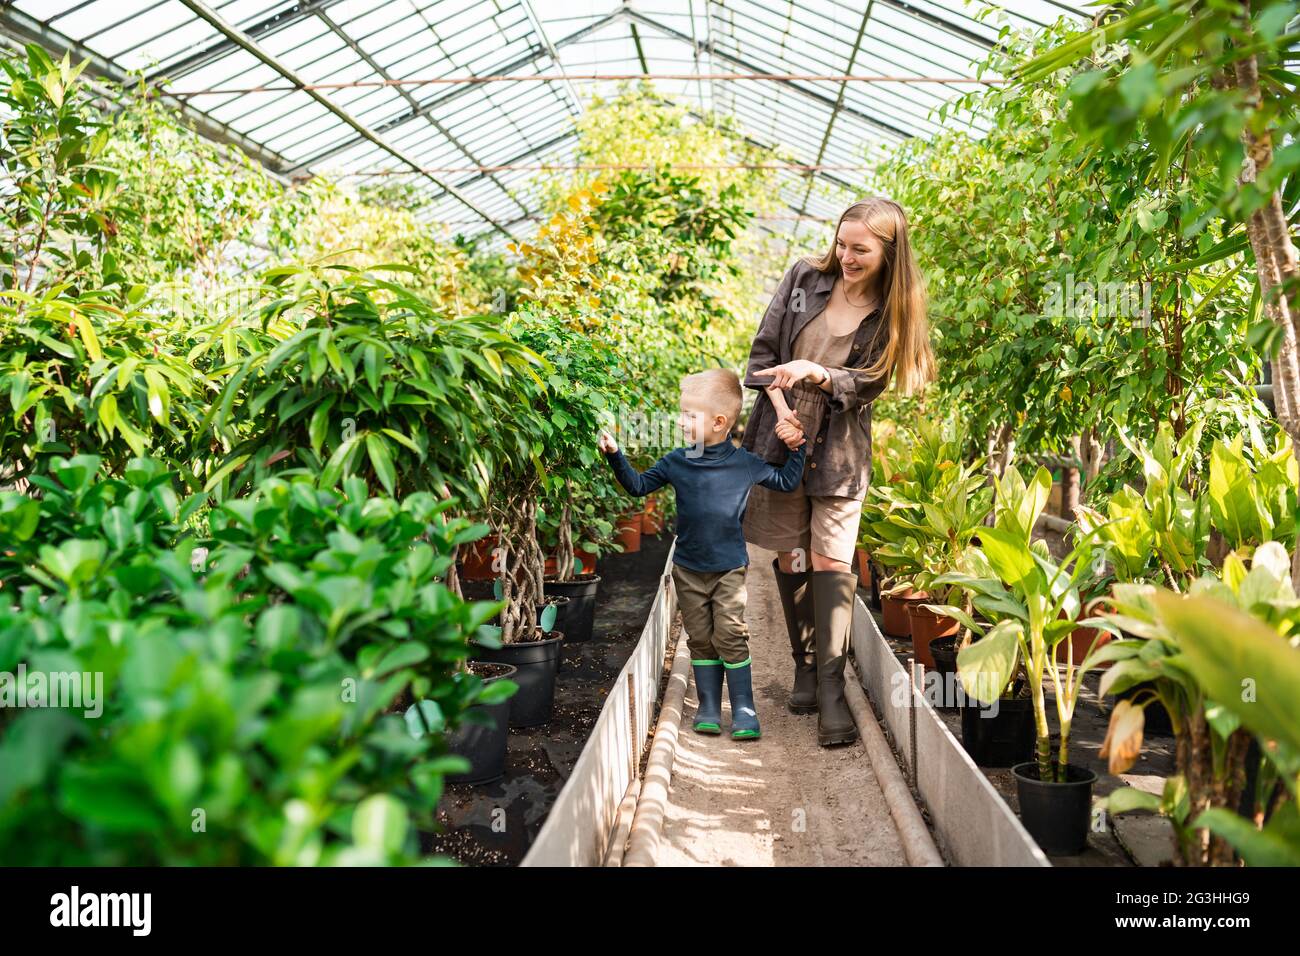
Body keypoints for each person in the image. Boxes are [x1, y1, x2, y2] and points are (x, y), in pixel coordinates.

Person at [744, 197, 936, 746]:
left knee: (830, 560)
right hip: (781, 442)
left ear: (888, 253)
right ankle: (804, 669)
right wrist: (783, 415)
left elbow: (869, 381)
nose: (846, 257)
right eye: (841, 243)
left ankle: (831, 689)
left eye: (860, 249)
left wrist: (818, 374)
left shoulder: (891, 311)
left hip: (839, 450)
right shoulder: (804, 278)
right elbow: (760, 361)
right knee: (792, 555)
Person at [599, 368, 805, 740]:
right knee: (701, 637)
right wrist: (616, 456)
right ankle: (709, 706)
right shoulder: (677, 462)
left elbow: (786, 482)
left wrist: (797, 449)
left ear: (719, 421)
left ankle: (743, 707)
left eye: (687, 415)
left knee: (730, 632)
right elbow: (638, 486)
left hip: (728, 568)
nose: (679, 422)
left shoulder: (744, 463)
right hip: (689, 568)